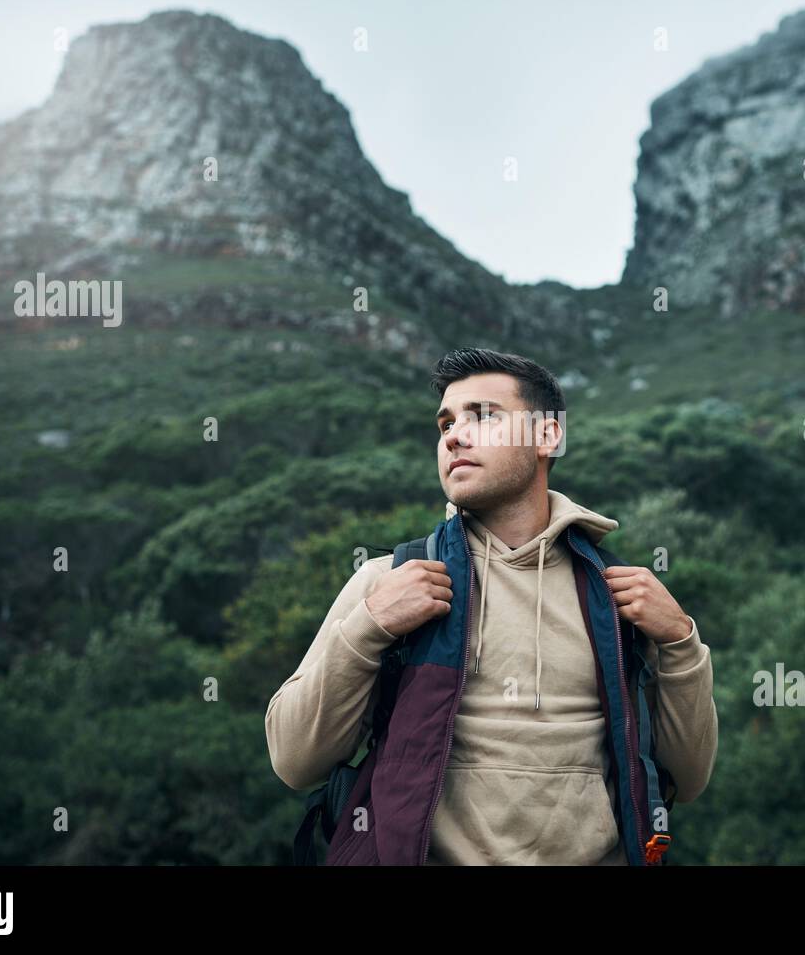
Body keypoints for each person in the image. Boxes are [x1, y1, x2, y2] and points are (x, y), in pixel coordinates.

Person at [265, 347, 718, 864]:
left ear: (548, 436)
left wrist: (681, 641)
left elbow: (689, 778)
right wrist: (368, 629)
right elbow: (294, 761)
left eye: (483, 416)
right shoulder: (388, 580)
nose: (455, 435)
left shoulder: (621, 598)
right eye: (446, 424)